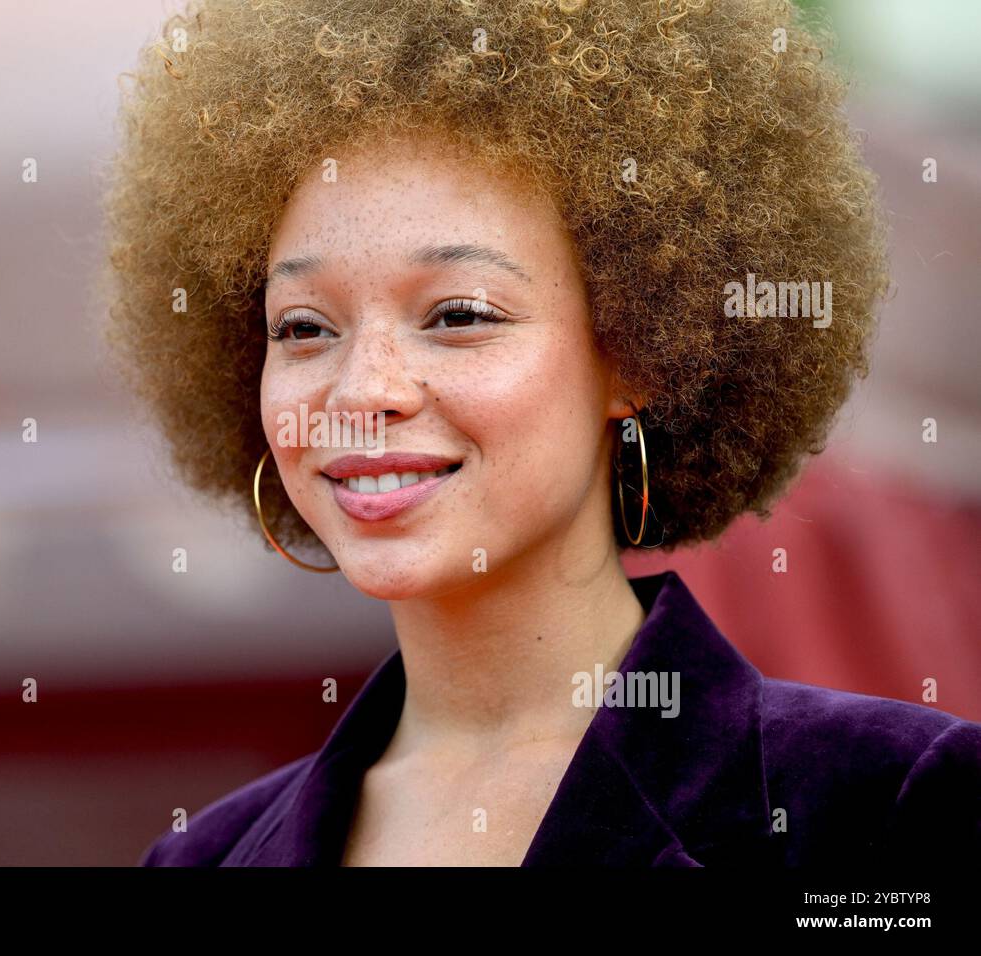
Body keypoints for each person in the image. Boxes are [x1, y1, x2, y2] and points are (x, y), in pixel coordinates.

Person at [105, 0, 981, 865]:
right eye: (302, 328)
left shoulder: (881, 806)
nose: (362, 390)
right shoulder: (202, 857)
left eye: (457, 314)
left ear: (638, 353)